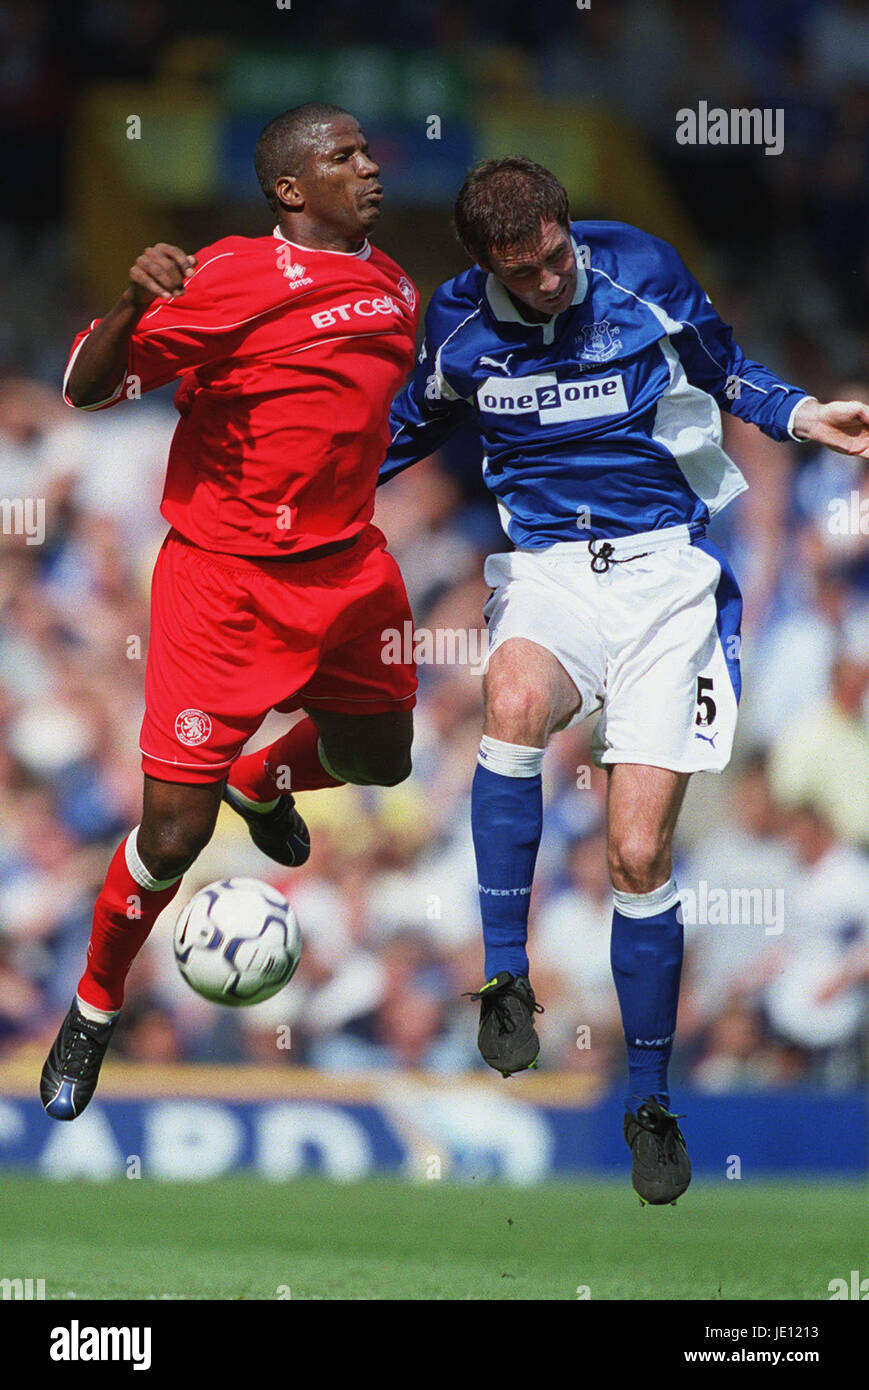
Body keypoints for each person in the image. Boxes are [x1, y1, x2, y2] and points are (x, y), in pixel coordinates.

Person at [380, 156, 869, 1204]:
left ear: (565, 228)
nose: (552, 278)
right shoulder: (456, 326)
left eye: (556, 254)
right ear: (485, 267)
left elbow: (724, 368)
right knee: (507, 704)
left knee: (638, 852)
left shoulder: (635, 266)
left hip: (665, 578)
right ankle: (504, 981)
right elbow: (403, 430)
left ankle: (648, 1100)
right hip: (550, 571)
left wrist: (798, 417)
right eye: (527, 269)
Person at [41, 103, 419, 1121]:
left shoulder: (393, 282)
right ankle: (92, 1003)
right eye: (344, 157)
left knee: (381, 758)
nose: (369, 167)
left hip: (344, 571)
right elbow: (86, 388)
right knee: (169, 834)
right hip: (225, 583)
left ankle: (263, 775)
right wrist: (128, 302)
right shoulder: (226, 277)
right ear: (293, 188)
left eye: (367, 151)